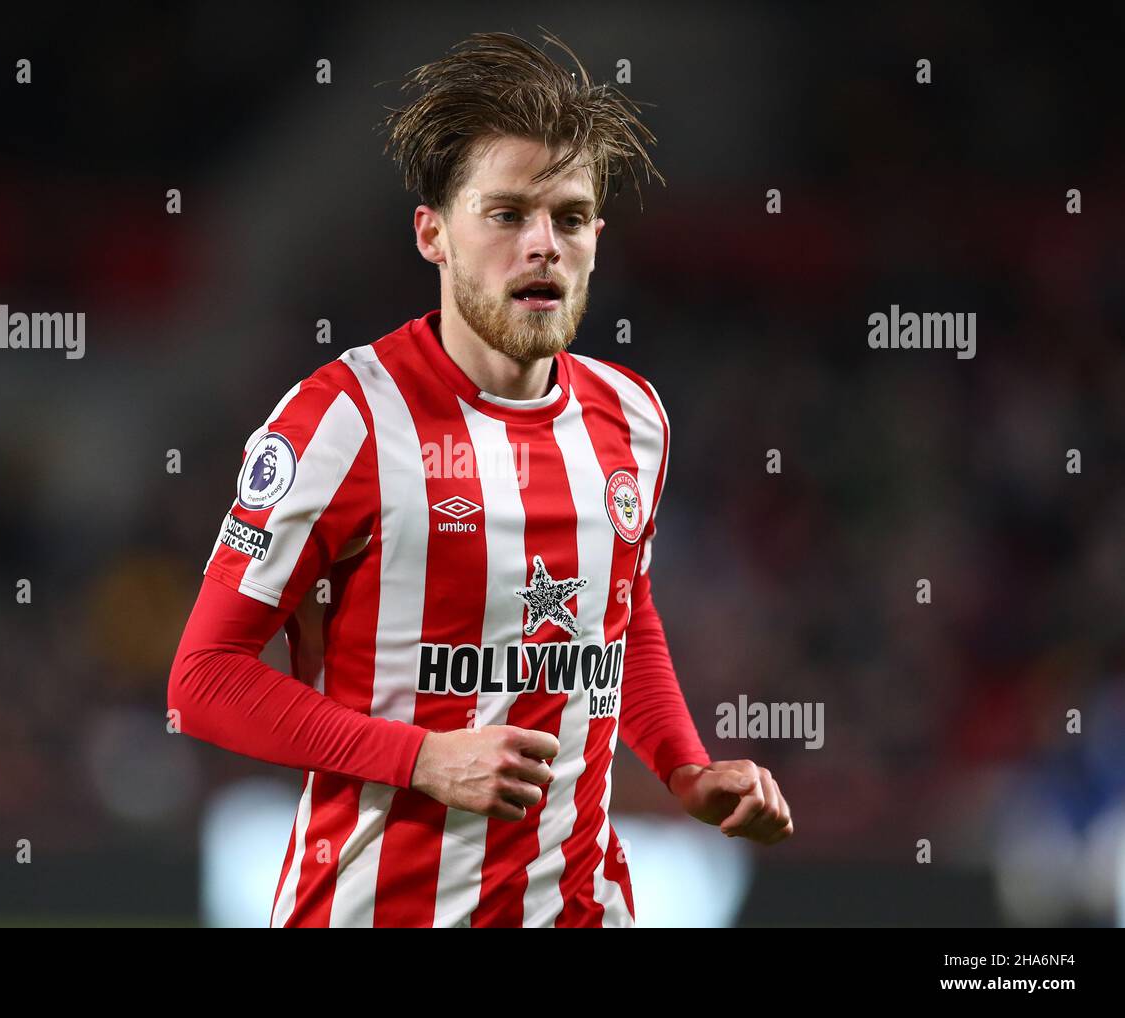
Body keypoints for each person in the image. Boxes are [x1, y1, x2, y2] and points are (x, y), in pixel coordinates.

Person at [168, 29, 792, 928]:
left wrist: (687, 768)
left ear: (595, 239)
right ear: (435, 234)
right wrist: (423, 759)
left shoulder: (635, 418)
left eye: (569, 218)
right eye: (506, 215)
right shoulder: (345, 420)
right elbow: (204, 681)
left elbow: (621, 613)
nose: (542, 245)